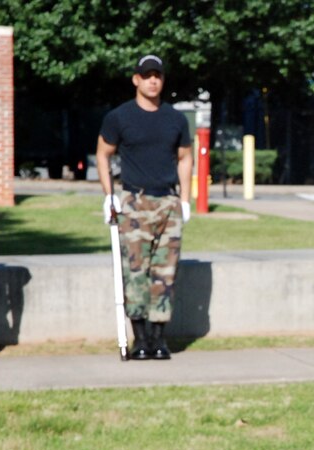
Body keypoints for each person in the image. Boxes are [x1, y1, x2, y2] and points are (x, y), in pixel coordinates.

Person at [96, 54, 193, 361]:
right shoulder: (119, 117)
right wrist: (109, 194)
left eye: (158, 75)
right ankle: (139, 339)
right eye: (147, 75)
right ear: (136, 79)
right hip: (134, 202)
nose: (153, 80)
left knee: (165, 272)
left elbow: (185, 158)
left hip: (167, 201)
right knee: (136, 270)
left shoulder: (175, 119)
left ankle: (159, 338)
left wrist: (185, 200)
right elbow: (103, 154)